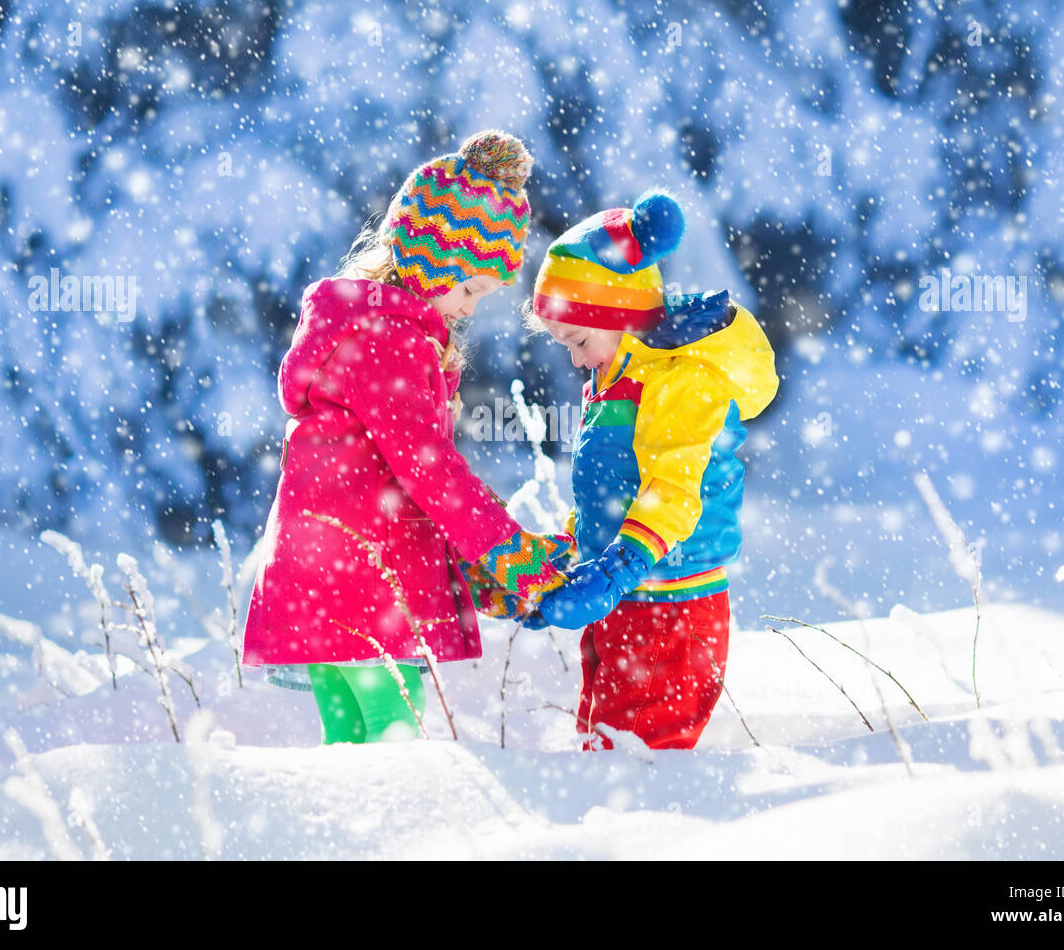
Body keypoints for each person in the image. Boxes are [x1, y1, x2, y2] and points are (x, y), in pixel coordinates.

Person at [242, 131, 566, 744]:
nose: (470, 310)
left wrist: (474, 555)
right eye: (470, 289)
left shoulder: (355, 328)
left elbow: (399, 472)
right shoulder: (388, 340)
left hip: (321, 577)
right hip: (362, 582)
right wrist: (505, 550)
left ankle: (351, 841)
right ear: (433, 262)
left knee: (352, 746)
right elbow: (428, 469)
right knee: (395, 742)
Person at [525, 189, 780, 750]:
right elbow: (609, 493)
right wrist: (567, 551)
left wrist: (614, 572)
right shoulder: (613, 383)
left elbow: (672, 493)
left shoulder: (677, 380)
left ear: (617, 315)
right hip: (627, 599)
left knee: (640, 771)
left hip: (672, 611)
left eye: (579, 340)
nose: (575, 359)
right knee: (601, 751)